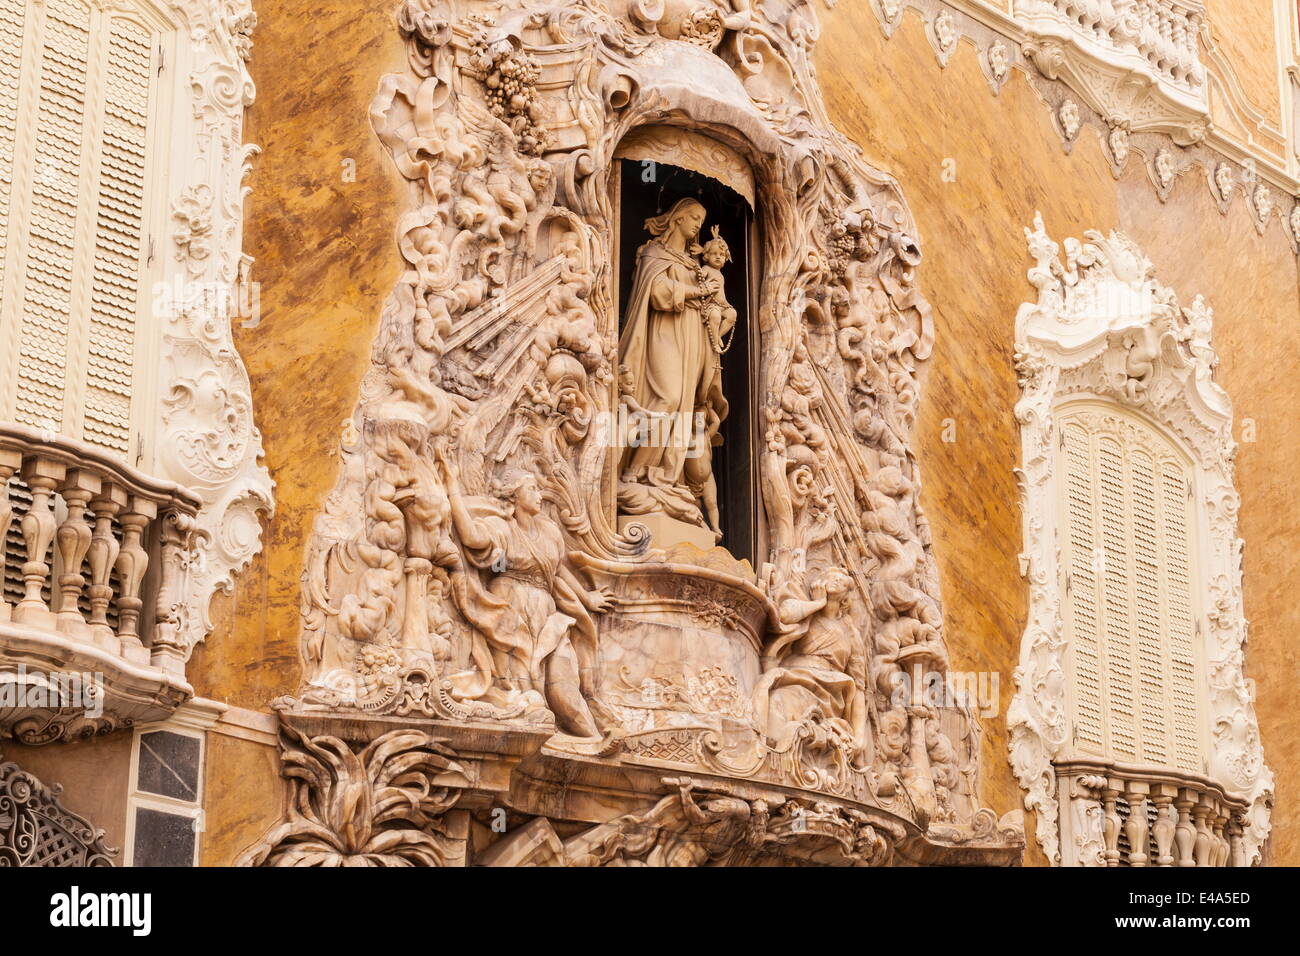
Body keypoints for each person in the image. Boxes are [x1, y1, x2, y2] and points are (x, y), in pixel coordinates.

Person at [438, 448, 614, 737]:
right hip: (510, 609)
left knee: (562, 681)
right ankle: (544, 730)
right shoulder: (502, 529)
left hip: (546, 612)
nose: (539, 494)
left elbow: (557, 571)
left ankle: (593, 740)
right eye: (531, 488)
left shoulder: (549, 532)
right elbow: (472, 538)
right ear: (514, 495)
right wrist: (452, 488)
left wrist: (587, 597)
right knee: (520, 688)